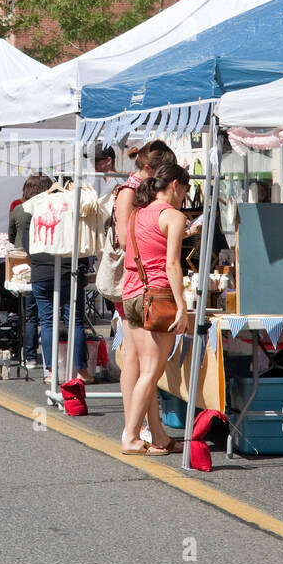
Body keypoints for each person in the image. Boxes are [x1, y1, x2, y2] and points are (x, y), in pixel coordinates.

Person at [119, 163, 191, 456]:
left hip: (131, 294)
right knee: (151, 372)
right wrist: (183, 307)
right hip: (158, 297)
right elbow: (172, 265)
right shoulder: (174, 216)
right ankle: (132, 437)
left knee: (145, 371)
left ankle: (158, 435)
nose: (184, 196)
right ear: (174, 185)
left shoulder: (138, 213)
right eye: (185, 189)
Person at [23, 174, 97, 384]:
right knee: (74, 322)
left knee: (47, 322)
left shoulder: (34, 211)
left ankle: (50, 372)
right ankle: (82, 371)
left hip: (40, 273)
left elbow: (27, 247)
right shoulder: (73, 209)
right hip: (69, 272)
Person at [112, 140, 177, 320]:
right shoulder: (129, 191)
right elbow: (125, 240)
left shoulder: (143, 191)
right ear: (148, 169)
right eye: (162, 173)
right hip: (136, 277)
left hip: (149, 277)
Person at [8, 174, 47, 371]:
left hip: (23, 263)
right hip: (46, 263)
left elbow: (10, 236)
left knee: (29, 314)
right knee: (50, 314)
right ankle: (51, 358)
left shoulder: (18, 209)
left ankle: (30, 357)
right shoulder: (49, 209)